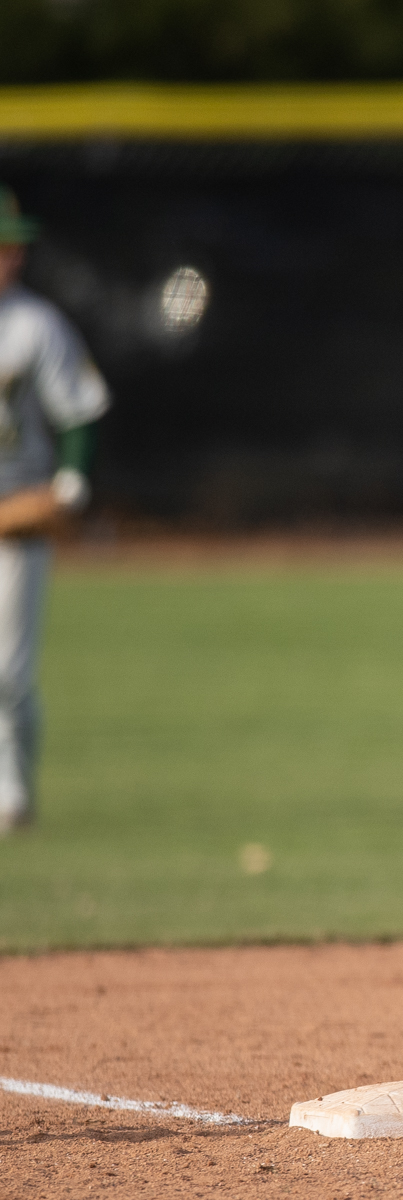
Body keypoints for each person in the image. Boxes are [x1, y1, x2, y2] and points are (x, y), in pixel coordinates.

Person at [0, 185, 108, 834]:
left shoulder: (36, 324)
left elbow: (80, 409)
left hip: (16, 508)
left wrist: (71, 483)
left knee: (6, 667)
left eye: (14, 245)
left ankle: (10, 792)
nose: (10, 255)